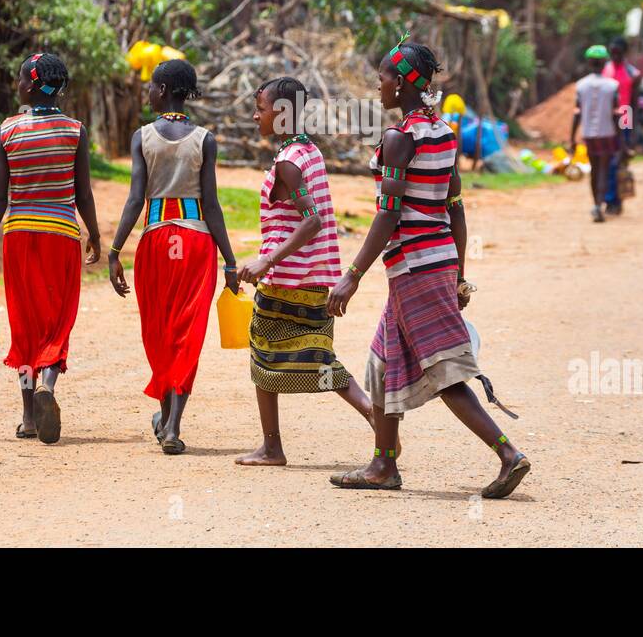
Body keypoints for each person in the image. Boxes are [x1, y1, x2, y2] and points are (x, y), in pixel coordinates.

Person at [326, 36, 530, 499]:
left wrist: (351, 275)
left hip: (415, 268)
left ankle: (508, 453)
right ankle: (383, 465)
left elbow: (388, 214)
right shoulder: (443, 134)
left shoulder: (401, 139)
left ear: (400, 83)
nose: (377, 86)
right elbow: (455, 208)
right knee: (382, 363)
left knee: (444, 371)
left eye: (381, 78)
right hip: (432, 264)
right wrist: (458, 273)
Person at [234, 77, 375, 466]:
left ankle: (273, 447)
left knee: (264, 350)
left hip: (288, 279)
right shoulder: (308, 150)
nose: (255, 115)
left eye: (260, 108)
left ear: (280, 113)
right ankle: (369, 414)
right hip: (315, 275)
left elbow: (310, 221)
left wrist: (266, 261)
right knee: (319, 354)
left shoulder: (288, 164)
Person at [107, 58, 239, 455]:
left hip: (156, 240)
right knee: (188, 332)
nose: (147, 91)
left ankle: (167, 416)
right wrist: (230, 262)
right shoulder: (205, 139)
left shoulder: (142, 136)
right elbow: (212, 206)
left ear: (163, 90)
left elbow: (134, 200)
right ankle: (171, 423)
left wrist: (115, 252)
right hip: (197, 243)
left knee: (160, 330)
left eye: (150, 85)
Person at [0, 54, 100, 444]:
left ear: (29, 85)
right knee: (57, 318)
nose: (14, 85)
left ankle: (29, 416)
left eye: (17, 79)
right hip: (60, 234)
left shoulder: (7, 131)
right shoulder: (75, 131)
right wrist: (94, 233)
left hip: (19, 235)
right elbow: (82, 192)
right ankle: (48, 383)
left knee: (25, 323)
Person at [570, 45, 621, 223]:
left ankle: (596, 204)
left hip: (589, 134)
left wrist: (572, 137)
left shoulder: (581, 85)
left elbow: (577, 113)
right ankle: (600, 204)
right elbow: (619, 113)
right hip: (607, 133)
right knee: (604, 171)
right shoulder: (613, 85)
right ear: (606, 61)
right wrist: (623, 137)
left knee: (595, 171)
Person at [601, 37, 640, 215]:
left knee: (618, 161)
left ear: (624, 52)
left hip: (624, 119)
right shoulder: (604, 70)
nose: (614, 55)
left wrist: (631, 132)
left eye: (618, 52)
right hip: (605, 120)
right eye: (612, 52)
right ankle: (610, 198)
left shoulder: (632, 74)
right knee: (606, 161)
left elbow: (633, 104)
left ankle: (615, 198)